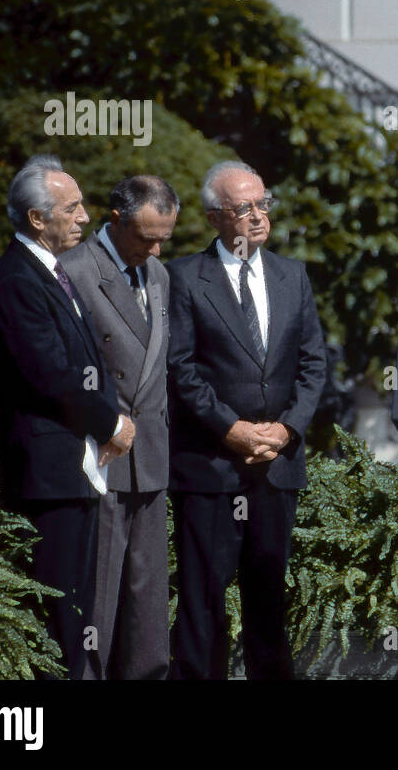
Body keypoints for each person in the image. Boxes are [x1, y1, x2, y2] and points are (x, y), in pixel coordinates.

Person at [167, 161, 329, 679]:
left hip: (275, 468)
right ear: (216, 216)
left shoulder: (292, 274)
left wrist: (286, 430)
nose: (258, 216)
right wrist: (231, 430)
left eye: (264, 203)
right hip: (212, 467)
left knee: (268, 600)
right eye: (244, 208)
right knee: (202, 601)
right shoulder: (184, 278)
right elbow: (180, 368)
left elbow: (313, 363)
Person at [0, 154, 136, 679]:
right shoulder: (17, 281)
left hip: (69, 472)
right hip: (48, 479)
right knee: (58, 620)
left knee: (72, 615)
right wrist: (113, 425)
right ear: (36, 219)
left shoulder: (48, 273)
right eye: (71, 208)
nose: (85, 217)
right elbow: (52, 375)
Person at [60, 174, 178, 680]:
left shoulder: (159, 275)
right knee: (98, 596)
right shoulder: (73, 272)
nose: (153, 249)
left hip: (151, 456)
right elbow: (61, 371)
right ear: (115, 220)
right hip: (99, 456)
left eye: (163, 239)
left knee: (148, 600)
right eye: (144, 237)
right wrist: (103, 425)